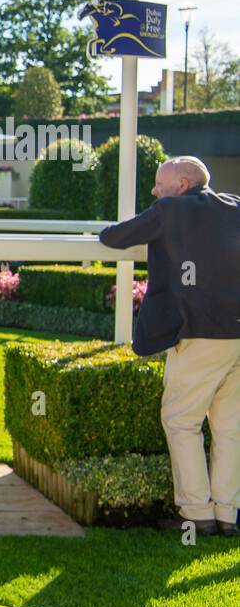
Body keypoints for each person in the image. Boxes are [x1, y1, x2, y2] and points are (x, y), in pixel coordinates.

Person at [100, 156, 240, 537]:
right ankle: (228, 514)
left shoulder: (170, 209)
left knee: (181, 421)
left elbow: (114, 237)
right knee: (230, 427)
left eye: (159, 184)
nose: (153, 191)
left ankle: (197, 515)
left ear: (181, 184)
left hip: (199, 335)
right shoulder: (235, 206)